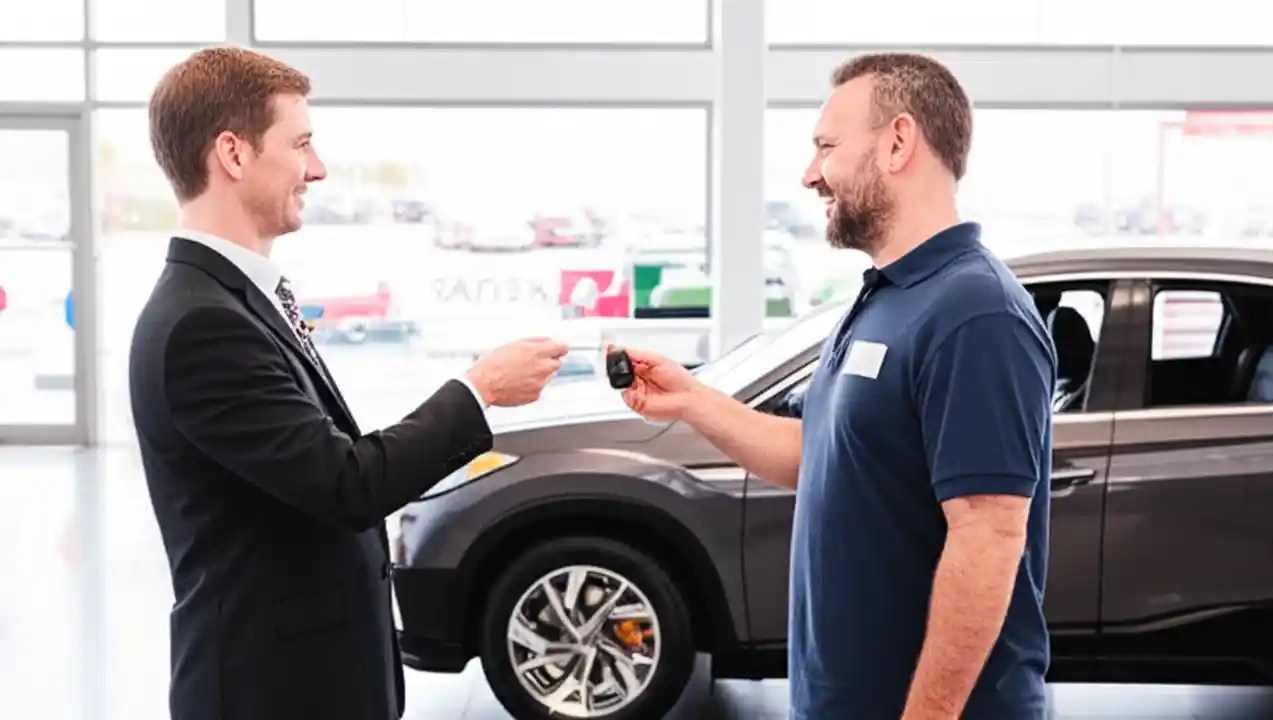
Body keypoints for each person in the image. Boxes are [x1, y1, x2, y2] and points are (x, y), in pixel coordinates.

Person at [128, 46, 567, 720]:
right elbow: (347, 483)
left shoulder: (227, 302)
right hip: (272, 691)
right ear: (233, 154)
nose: (318, 169)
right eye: (301, 143)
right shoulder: (202, 326)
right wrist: (478, 389)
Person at [618, 52, 1054, 719]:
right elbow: (820, 455)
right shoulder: (885, 296)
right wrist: (692, 400)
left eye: (826, 147)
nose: (809, 174)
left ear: (898, 142)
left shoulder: (977, 312)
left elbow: (989, 537)